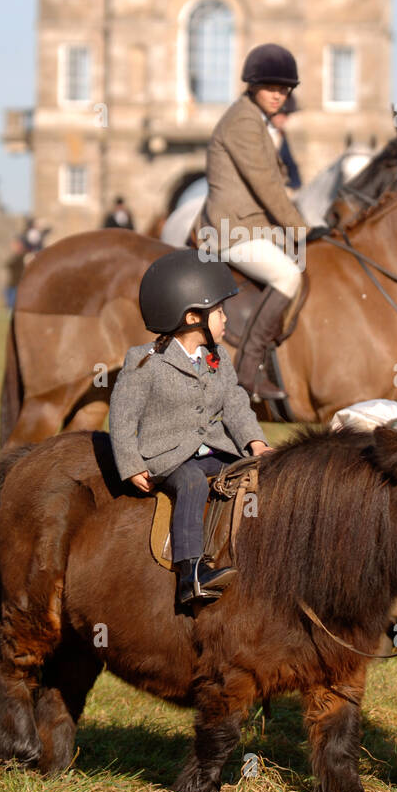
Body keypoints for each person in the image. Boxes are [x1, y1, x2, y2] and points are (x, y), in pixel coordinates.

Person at [109, 248, 270, 607]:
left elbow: (234, 403)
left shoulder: (219, 357)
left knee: (250, 477)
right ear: (192, 316)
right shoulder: (146, 361)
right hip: (168, 457)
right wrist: (132, 464)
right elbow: (122, 416)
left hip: (213, 448)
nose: (227, 319)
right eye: (219, 312)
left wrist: (255, 442)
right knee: (193, 483)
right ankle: (191, 572)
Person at [197, 43, 311, 401]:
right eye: (271, 88)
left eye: (284, 90)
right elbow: (267, 186)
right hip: (231, 229)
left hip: (252, 226)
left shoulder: (254, 118)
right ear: (252, 85)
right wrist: (302, 231)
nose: (279, 96)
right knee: (288, 274)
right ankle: (248, 370)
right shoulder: (243, 122)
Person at [268, 93, 302, 192]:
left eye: (287, 115)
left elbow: (291, 164)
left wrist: (296, 186)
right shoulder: (262, 133)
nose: (285, 120)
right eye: (283, 115)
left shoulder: (281, 135)